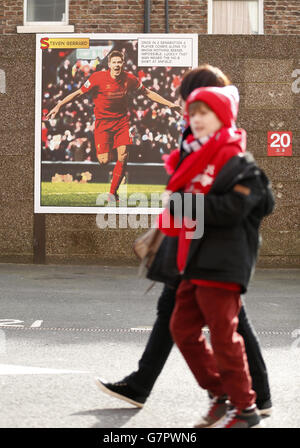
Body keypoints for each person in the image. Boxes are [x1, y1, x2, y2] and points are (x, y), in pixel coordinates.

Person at [95, 65, 272, 419]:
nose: (184, 106)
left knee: (210, 322)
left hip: (210, 248)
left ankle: (245, 399)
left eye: (191, 100)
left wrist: (182, 208)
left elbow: (241, 200)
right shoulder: (195, 135)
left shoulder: (223, 143)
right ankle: (244, 396)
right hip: (194, 243)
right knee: (182, 319)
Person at [156, 84, 274, 428]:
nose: (196, 119)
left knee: (224, 337)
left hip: (224, 264)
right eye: (192, 113)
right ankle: (222, 394)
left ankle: (245, 408)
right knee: (181, 328)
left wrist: (182, 204)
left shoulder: (238, 162)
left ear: (222, 117)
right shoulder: (191, 159)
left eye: (204, 113)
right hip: (195, 260)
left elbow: (235, 208)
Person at [46, 50, 180, 200]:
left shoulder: (129, 79)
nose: (117, 65)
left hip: (121, 122)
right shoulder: (97, 78)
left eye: (119, 62)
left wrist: (170, 104)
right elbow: (78, 93)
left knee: (123, 156)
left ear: (123, 64)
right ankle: (111, 159)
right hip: (102, 124)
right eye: (114, 62)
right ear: (109, 64)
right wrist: (59, 105)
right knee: (104, 161)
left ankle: (112, 193)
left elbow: (148, 93)